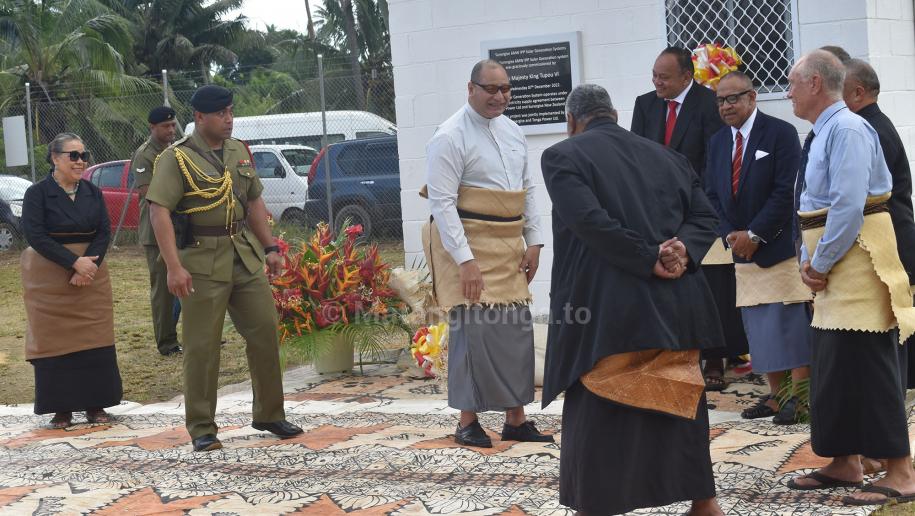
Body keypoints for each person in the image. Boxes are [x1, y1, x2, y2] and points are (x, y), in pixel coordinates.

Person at [542, 84, 723, 516]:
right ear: (614, 113)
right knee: (679, 398)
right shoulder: (669, 156)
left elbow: (589, 221)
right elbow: (705, 217)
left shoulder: (563, 156)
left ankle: (597, 506)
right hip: (676, 305)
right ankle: (704, 503)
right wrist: (684, 249)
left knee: (600, 412)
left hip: (609, 313)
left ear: (572, 121)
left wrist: (648, 259)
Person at [785, 50, 915, 506]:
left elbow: (849, 204)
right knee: (835, 367)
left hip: (858, 263)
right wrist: (808, 256)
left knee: (870, 366)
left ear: (816, 84)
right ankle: (845, 462)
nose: (788, 92)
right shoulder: (824, 131)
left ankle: (901, 472)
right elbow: (811, 204)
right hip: (832, 265)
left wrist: (820, 262)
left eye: (793, 83)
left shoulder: (849, 129)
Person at [146, 85, 303, 452]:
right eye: (221, 114)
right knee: (202, 346)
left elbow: (253, 202)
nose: (229, 119)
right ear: (200, 118)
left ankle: (269, 413)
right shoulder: (176, 158)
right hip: (199, 258)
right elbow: (159, 211)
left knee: (265, 330)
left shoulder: (238, 151)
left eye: (231, 112)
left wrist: (270, 247)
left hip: (242, 254)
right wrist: (172, 266)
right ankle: (201, 426)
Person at [422, 59, 552, 448]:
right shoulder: (449, 136)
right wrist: (465, 261)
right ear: (470, 89)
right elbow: (442, 204)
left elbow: (526, 191)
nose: (500, 96)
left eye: (506, 89)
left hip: (508, 243)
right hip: (467, 243)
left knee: (514, 329)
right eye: (491, 89)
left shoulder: (513, 131)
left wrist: (534, 241)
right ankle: (467, 421)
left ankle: (516, 419)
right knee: (473, 332)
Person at [631, 46, 744, 391]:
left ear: (686, 76)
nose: (657, 82)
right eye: (654, 75)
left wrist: (703, 202)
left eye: (664, 77)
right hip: (655, 209)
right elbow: (635, 153)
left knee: (711, 284)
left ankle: (714, 358)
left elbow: (715, 157)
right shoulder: (645, 104)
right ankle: (671, 354)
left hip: (697, 207)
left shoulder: (708, 104)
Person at [703, 71, 812, 425]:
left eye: (733, 98)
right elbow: (711, 194)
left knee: (790, 324)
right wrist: (732, 234)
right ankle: (776, 397)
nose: (726, 106)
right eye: (720, 100)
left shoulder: (779, 134)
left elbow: (786, 191)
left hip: (778, 246)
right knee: (760, 327)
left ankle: (801, 398)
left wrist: (756, 234)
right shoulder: (718, 141)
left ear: (752, 98)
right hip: (740, 249)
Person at [20, 133, 122, 429]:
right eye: (73, 156)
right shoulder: (37, 194)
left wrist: (88, 265)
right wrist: (73, 262)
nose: (81, 162)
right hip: (50, 277)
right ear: (55, 158)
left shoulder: (93, 192)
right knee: (53, 340)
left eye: (84, 155)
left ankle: (96, 404)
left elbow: (104, 232)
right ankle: (60, 408)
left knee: (95, 338)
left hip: (91, 275)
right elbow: (35, 235)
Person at [132, 106, 181, 356]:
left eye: (173, 125)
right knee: (163, 290)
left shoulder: (177, 150)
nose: (171, 130)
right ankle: (167, 342)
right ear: (152, 127)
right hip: (156, 232)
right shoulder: (145, 155)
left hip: (182, 228)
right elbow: (148, 194)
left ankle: (198, 335)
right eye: (165, 126)